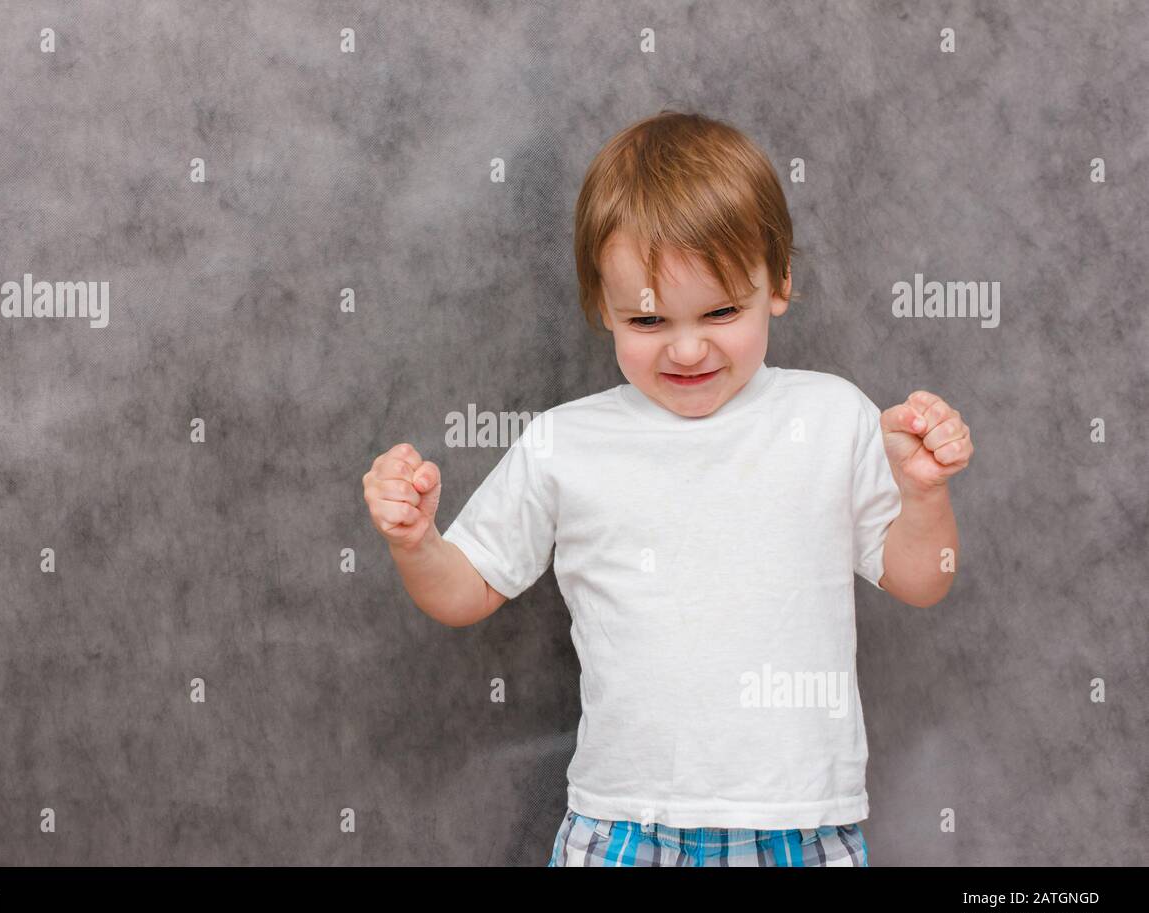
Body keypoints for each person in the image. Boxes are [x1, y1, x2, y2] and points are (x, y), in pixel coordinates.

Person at [361, 111, 974, 867]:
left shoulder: (831, 415)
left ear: (778, 282)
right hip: (623, 826)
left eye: (721, 311)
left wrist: (924, 495)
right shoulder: (567, 443)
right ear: (602, 306)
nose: (687, 348)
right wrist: (417, 542)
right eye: (648, 319)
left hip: (799, 824)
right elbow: (466, 591)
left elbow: (919, 580)